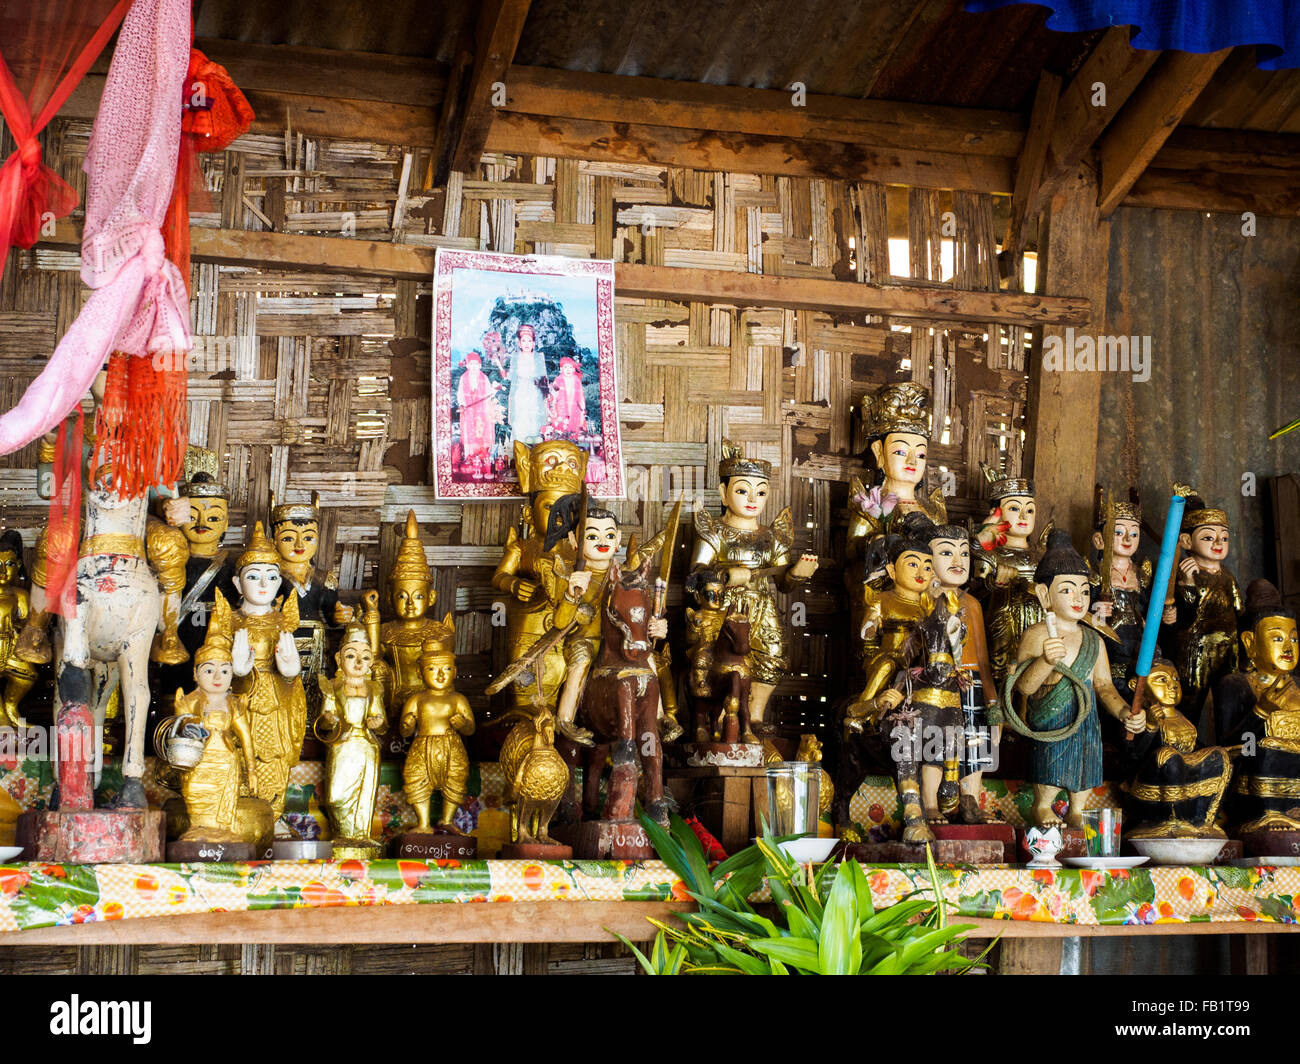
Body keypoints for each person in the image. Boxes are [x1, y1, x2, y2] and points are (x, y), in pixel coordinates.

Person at [455, 351, 501, 475]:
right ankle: (470, 457)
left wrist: (495, 389)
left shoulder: (484, 378)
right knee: (470, 432)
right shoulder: (463, 378)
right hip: (469, 411)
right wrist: (462, 404)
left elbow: (488, 393)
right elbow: (460, 394)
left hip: (482, 411)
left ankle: (484, 458)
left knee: (482, 431)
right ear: (467, 365)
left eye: (476, 364)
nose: (474, 366)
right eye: (471, 364)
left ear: (480, 365)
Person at [507, 323, 547, 445]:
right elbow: (511, 376)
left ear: (534, 343)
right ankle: (520, 454)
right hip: (520, 394)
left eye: (529, 341)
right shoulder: (515, 357)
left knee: (534, 423)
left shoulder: (539, 357)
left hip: (535, 395)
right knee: (520, 423)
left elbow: (544, 379)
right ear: (519, 343)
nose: (526, 344)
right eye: (523, 341)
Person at [546, 356, 586, 436]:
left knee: (575, 428)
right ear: (561, 369)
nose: (568, 370)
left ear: (574, 369)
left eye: (570, 367)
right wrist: (552, 409)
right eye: (565, 367)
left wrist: (582, 407)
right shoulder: (558, 380)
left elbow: (581, 395)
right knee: (561, 429)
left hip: (574, 407)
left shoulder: (577, 380)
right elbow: (553, 396)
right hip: (561, 409)